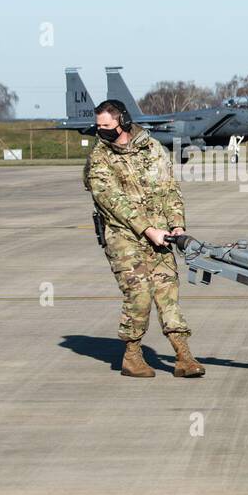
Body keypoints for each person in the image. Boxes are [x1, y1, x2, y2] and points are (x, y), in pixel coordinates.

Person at [83, 99, 204, 378]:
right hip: (124, 236)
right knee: (139, 295)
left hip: (161, 235)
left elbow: (170, 188)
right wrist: (148, 230)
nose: (101, 131)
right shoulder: (99, 159)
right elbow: (113, 201)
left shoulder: (153, 149)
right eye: (98, 126)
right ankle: (132, 355)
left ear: (123, 121)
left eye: (107, 126)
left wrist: (177, 226)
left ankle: (183, 355)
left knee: (168, 292)